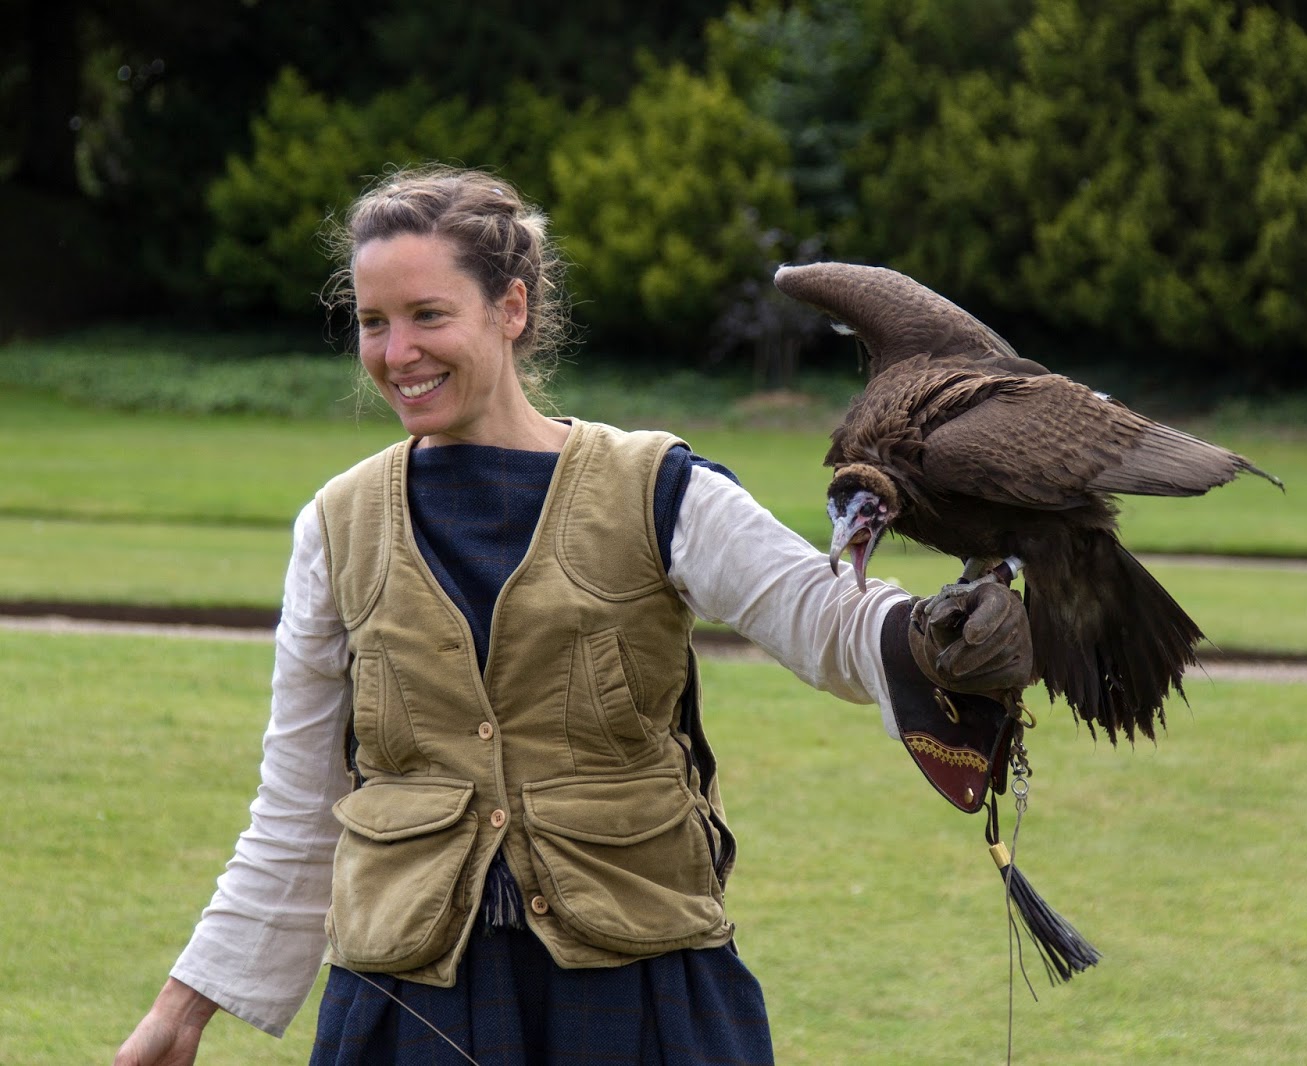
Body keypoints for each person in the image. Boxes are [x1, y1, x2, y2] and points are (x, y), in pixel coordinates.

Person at [114, 166, 1031, 1065]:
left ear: (509, 310)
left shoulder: (658, 489)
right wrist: (183, 1008)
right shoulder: (336, 525)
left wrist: (933, 635)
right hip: (408, 1007)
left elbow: (821, 613)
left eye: (429, 315)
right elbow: (297, 810)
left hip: (637, 999)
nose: (397, 354)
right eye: (372, 323)